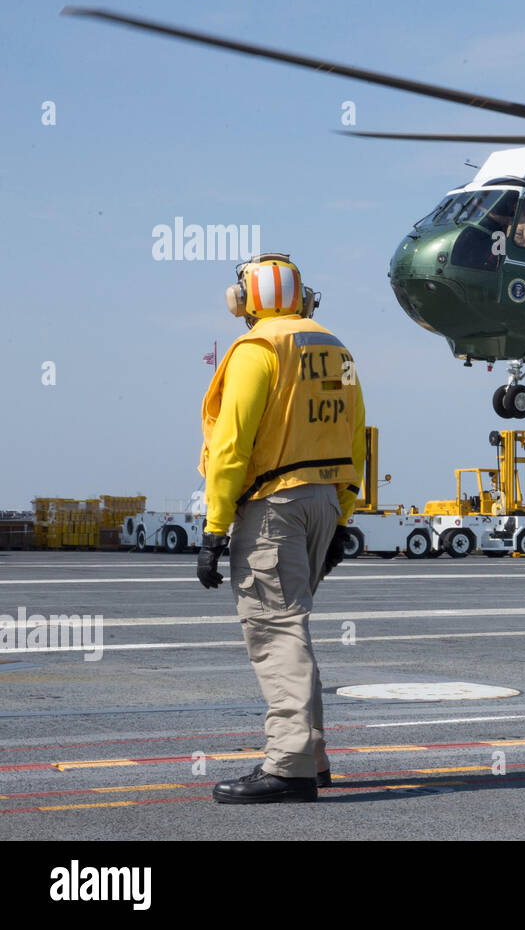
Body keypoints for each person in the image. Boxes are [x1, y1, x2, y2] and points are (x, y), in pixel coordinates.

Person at [195, 253, 366, 803]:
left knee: (274, 628)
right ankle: (311, 757)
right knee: (294, 626)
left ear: (245, 300)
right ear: (302, 295)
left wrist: (214, 528)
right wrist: (342, 514)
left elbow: (230, 447)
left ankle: (288, 765)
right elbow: (355, 433)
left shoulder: (257, 350)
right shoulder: (333, 347)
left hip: (273, 504)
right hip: (321, 502)